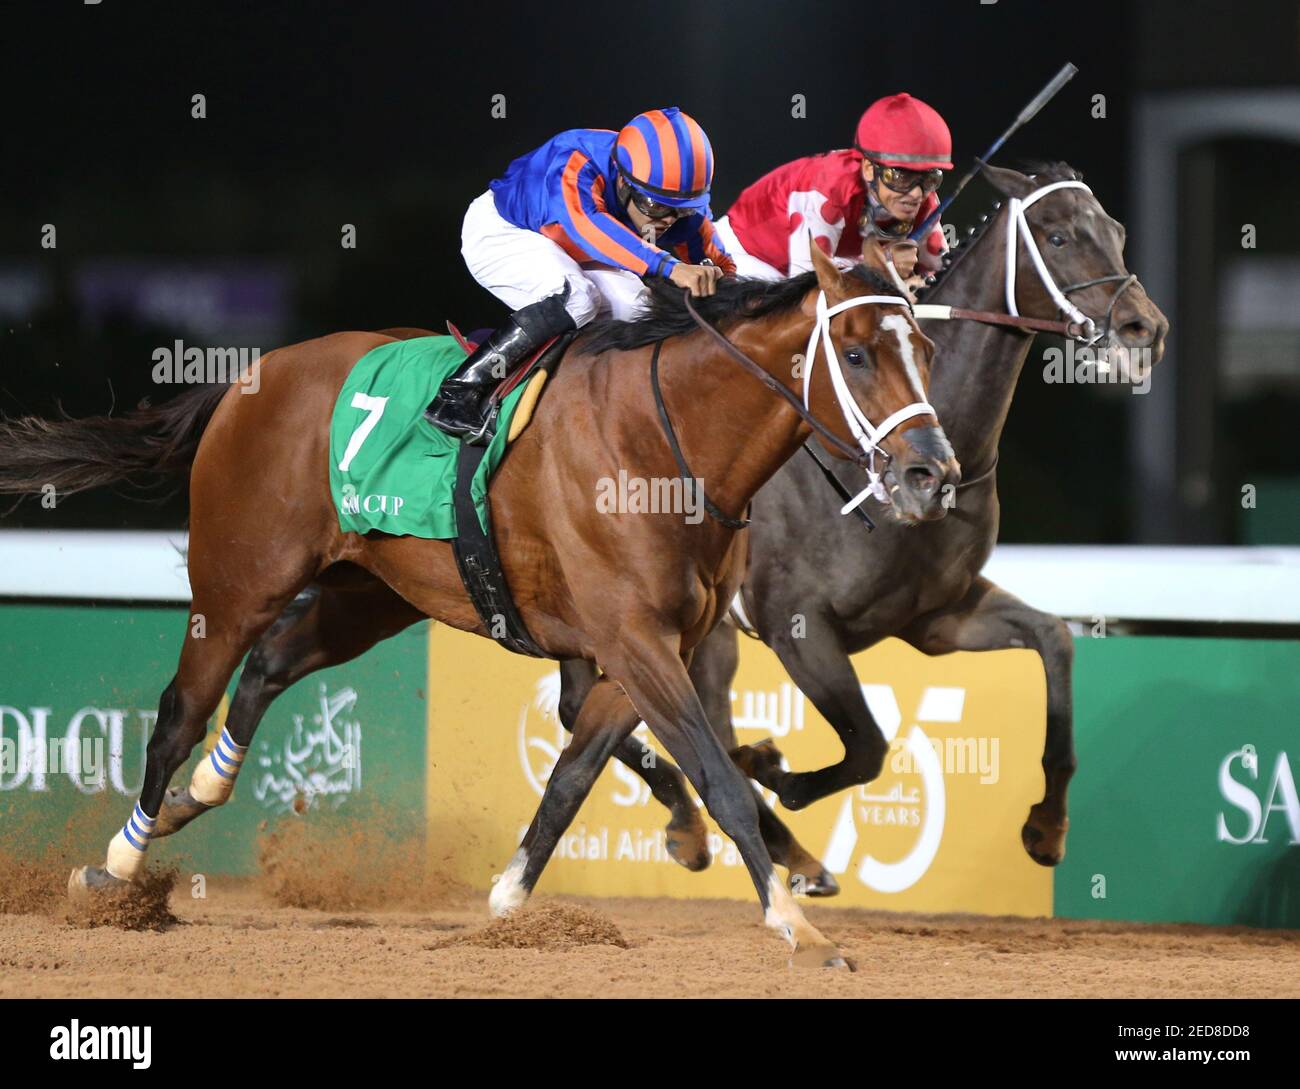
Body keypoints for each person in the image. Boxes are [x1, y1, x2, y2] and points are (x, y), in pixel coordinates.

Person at [426, 106, 736, 442]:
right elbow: (590, 227)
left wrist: (729, 289)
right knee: (577, 298)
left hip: (572, 247)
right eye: (656, 206)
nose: (668, 220)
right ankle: (459, 392)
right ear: (622, 180)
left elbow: (721, 266)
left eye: (681, 209)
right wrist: (670, 267)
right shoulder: (574, 159)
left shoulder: (677, 205)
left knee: (640, 307)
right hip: (506, 230)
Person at [715, 92, 952, 293]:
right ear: (869, 169)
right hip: (745, 254)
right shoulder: (828, 193)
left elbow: (945, 276)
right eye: (900, 177)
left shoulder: (924, 201)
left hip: (829, 261)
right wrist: (888, 269)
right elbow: (810, 289)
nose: (915, 194)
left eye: (929, 178)